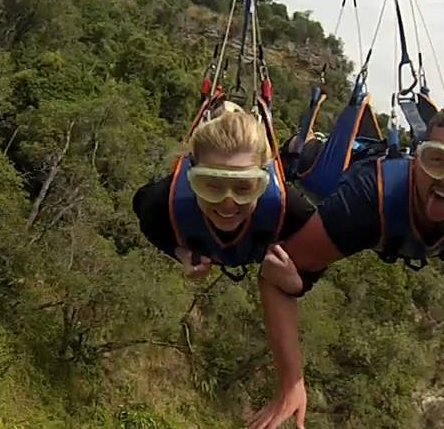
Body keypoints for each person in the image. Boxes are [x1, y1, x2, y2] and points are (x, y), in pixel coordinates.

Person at [247, 101, 444, 429]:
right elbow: (275, 277)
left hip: (388, 225)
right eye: (437, 160)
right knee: (306, 167)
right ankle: (307, 144)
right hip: (354, 190)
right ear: (418, 157)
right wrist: (292, 382)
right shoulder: (366, 199)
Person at [132, 101, 318, 292]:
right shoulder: (161, 202)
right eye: (212, 185)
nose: (227, 204)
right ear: (192, 177)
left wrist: (297, 283)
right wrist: (179, 252)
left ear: (264, 182)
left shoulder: (288, 208)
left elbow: (323, 247)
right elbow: (145, 215)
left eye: (243, 187)